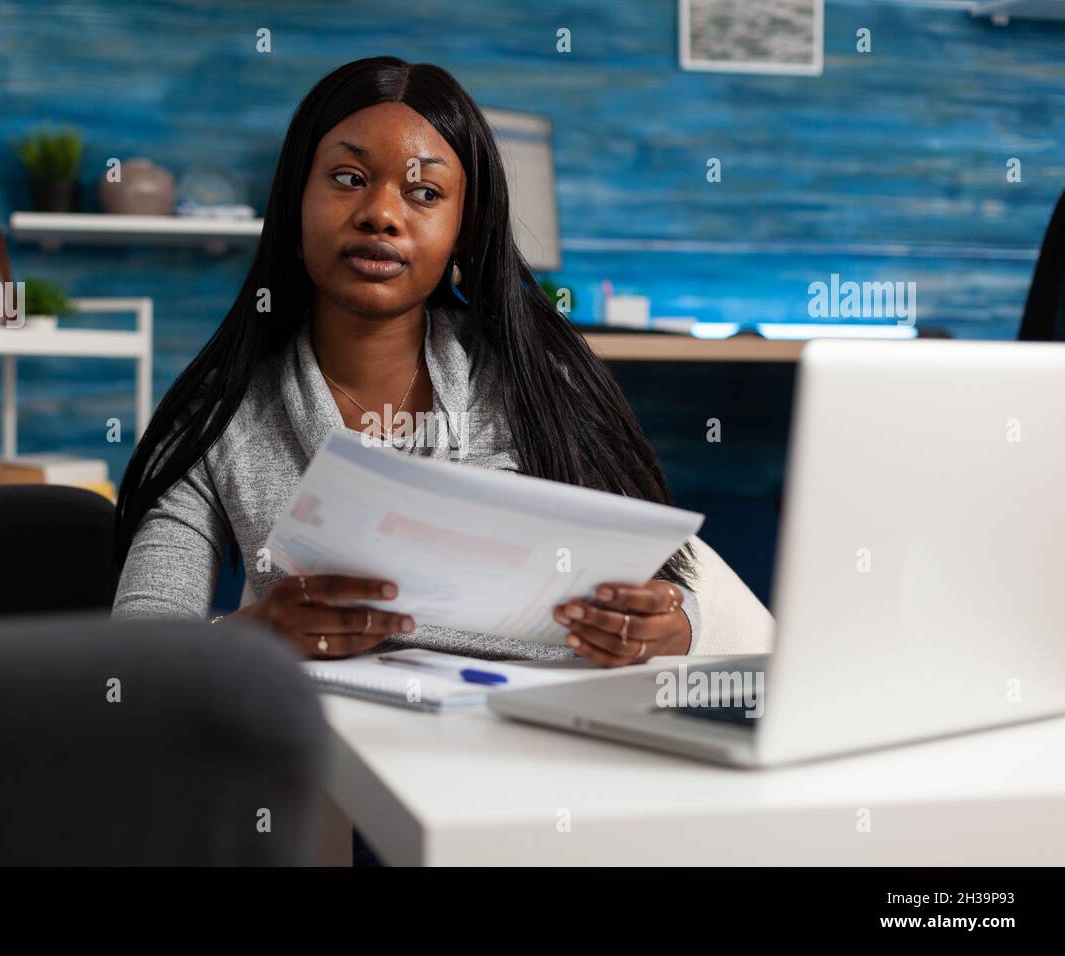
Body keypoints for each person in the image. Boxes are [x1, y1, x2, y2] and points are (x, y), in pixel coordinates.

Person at [111, 55, 701, 667]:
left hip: (540, 739)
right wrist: (249, 633)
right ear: (294, 200)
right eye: (347, 177)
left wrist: (673, 628)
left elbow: (669, 596)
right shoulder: (219, 411)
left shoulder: (540, 379)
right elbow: (138, 647)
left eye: (424, 193)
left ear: (463, 229)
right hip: (337, 747)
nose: (382, 215)